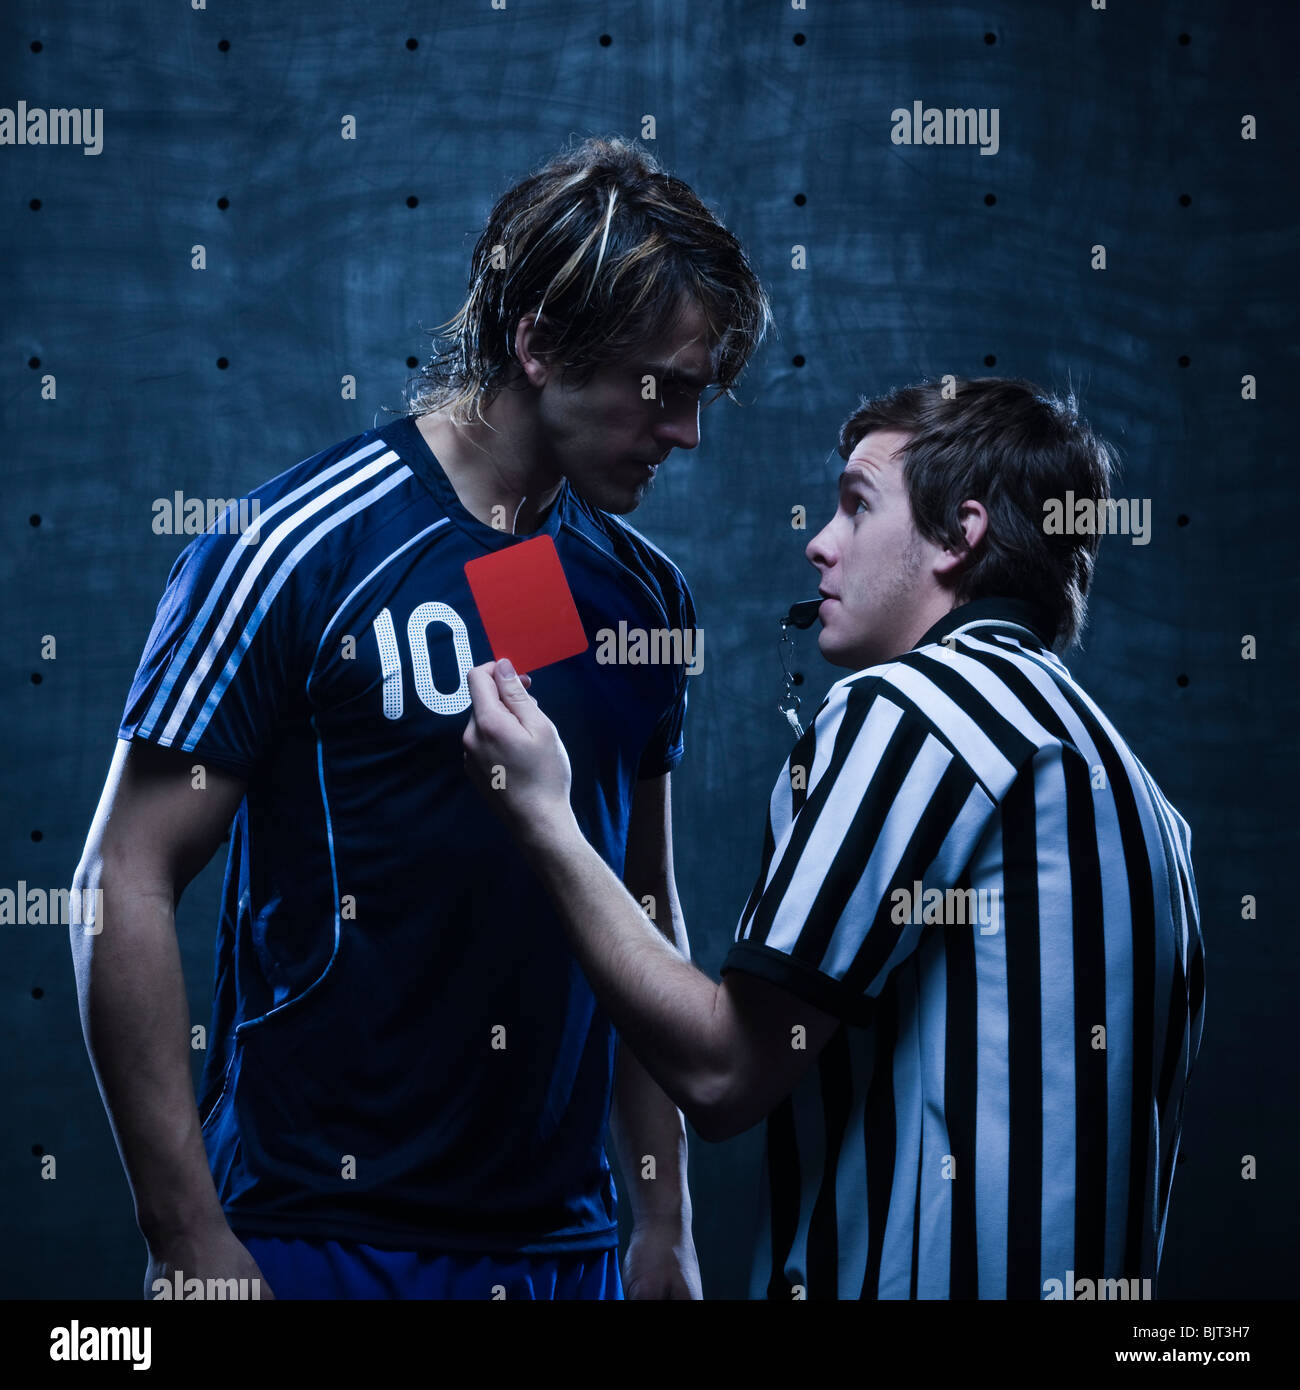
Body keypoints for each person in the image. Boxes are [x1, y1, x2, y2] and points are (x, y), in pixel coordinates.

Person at [69, 134, 774, 1300]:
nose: (687, 434)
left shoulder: (639, 592)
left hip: (562, 1249)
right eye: (667, 389)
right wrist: (184, 1236)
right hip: (314, 1229)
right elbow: (121, 877)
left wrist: (663, 1221)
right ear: (540, 341)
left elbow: (640, 897)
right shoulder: (295, 550)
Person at [463, 375, 1206, 1300]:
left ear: (959, 533)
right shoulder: (1134, 789)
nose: (820, 542)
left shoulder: (911, 713)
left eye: (857, 506)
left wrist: (545, 818)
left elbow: (724, 1071)